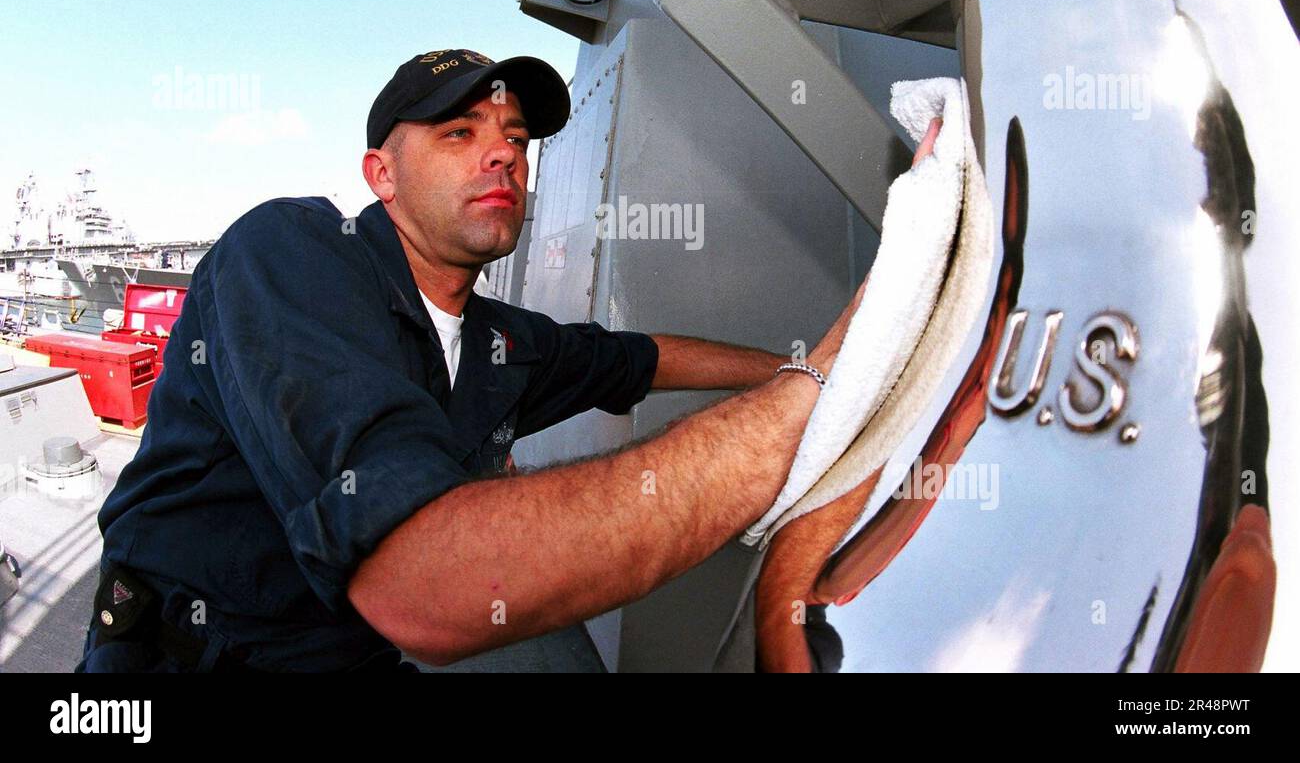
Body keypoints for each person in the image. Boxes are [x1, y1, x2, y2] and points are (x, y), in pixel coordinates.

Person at [76, 48, 935, 672]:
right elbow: (425, 588)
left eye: (516, 138)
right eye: (459, 131)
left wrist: (805, 367)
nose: (503, 155)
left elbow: (636, 359)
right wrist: (809, 402)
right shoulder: (291, 254)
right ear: (381, 173)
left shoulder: (497, 339)